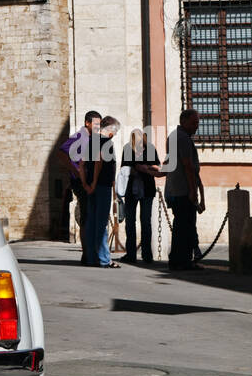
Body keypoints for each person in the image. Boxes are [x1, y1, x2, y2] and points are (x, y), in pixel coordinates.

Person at [164, 109, 205, 271]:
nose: (197, 126)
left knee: (180, 225)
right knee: (186, 225)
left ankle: (176, 260)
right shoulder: (183, 139)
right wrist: (193, 190)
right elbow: (188, 166)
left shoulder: (173, 136)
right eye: (194, 122)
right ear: (184, 121)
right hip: (183, 189)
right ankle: (184, 261)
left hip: (176, 188)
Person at [60, 110, 102, 264]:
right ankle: (87, 254)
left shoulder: (91, 138)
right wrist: (76, 170)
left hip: (88, 182)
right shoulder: (80, 136)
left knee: (89, 215)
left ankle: (90, 253)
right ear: (87, 123)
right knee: (86, 216)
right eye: (96, 124)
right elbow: (62, 153)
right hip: (80, 182)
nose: (98, 127)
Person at [83, 115, 121, 268]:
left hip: (92, 187)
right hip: (102, 185)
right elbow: (99, 162)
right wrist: (94, 182)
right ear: (111, 130)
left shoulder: (92, 141)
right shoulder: (107, 143)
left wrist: (87, 184)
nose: (115, 134)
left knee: (92, 222)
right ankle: (105, 259)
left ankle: (92, 258)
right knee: (101, 224)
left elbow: (82, 164)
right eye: (116, 132)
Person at [120, 129, 160, 263]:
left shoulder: (150, 149)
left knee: (146, 222)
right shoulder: (127, 149)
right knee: (130, 222)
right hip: (131, 190)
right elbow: (124, 169)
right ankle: (131, 254)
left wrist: (146, 168)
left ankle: (147, 254)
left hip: (147, 189)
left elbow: (157, 166)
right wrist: (134, 169)